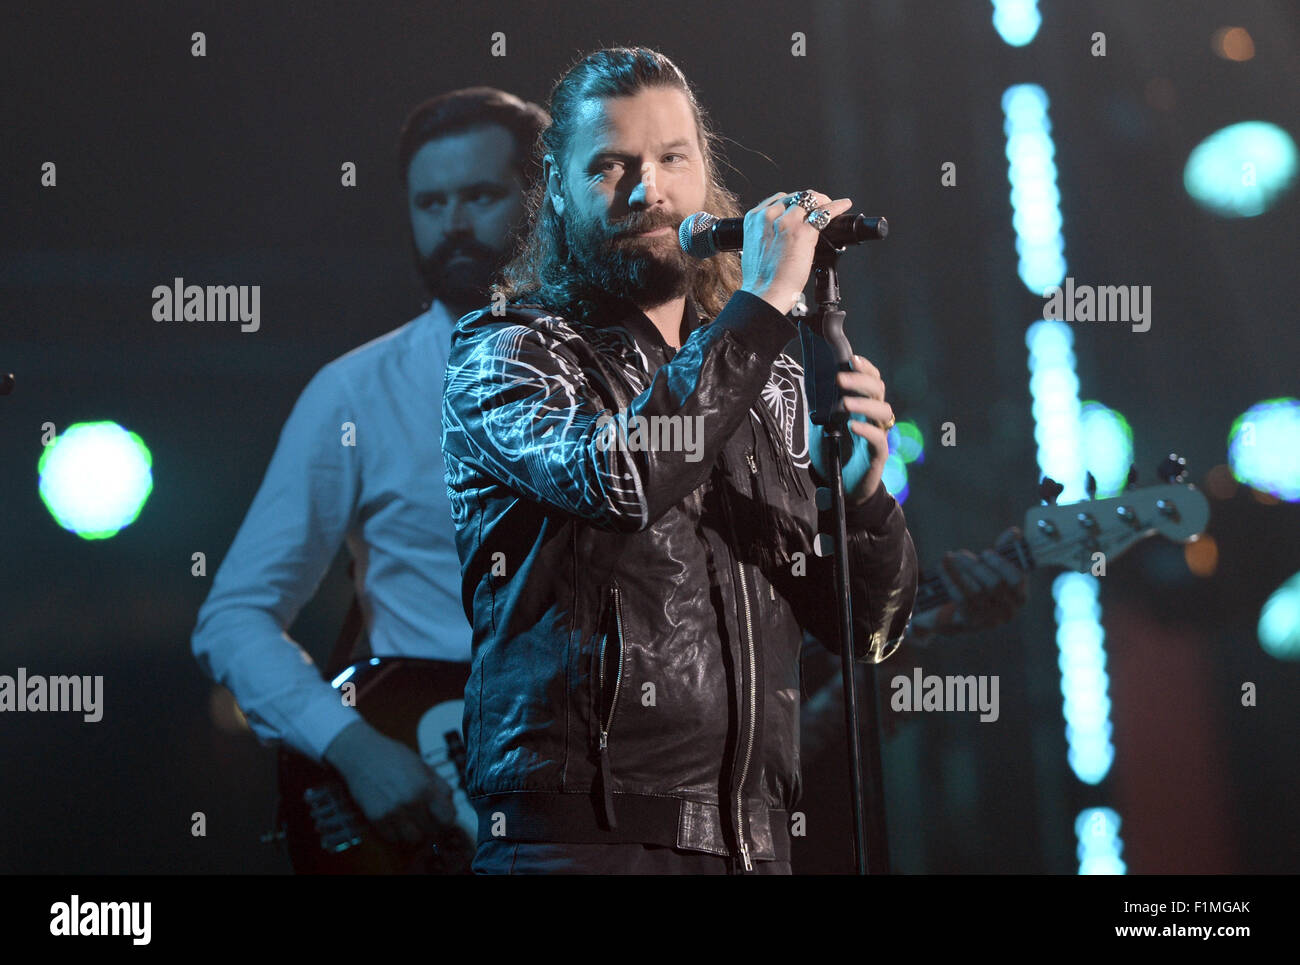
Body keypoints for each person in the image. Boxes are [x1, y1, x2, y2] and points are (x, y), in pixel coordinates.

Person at [440, 47, 919, 875]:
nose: (647, 190)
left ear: (707, 176)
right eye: (611, 166)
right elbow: (620, 474)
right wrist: (763, 306)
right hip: (584, 842)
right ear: (555, 189)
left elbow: (865, 633)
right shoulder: (508, 350)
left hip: (751, 844)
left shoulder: (754, 375)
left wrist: (864, 501)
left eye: (672, 159)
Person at [191, 87, 547, 850]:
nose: (452, 224)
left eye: (481, 195)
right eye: (430, 202)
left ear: (542, 197)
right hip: (429, 800)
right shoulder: (353, 392)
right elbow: (235, 615)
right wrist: (352, 748)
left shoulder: (636, 373)